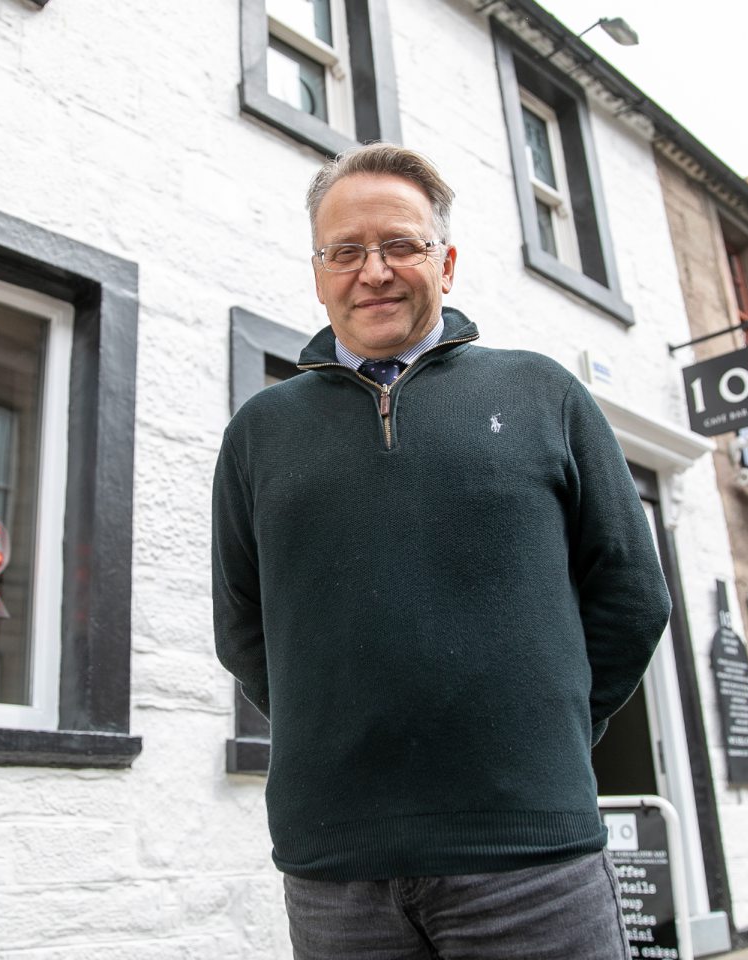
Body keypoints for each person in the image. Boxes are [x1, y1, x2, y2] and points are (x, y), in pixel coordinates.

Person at [211, 143, 672, 959]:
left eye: (402, 245)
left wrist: (549, 733)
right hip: (336, 872)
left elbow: (631, 596)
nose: (374, 271)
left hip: (533, 864)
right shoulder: (260, 432)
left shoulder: (543, 395)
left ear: (446, 262)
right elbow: (243, 630)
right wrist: (339, 727)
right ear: (319, 272)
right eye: (345, 252)